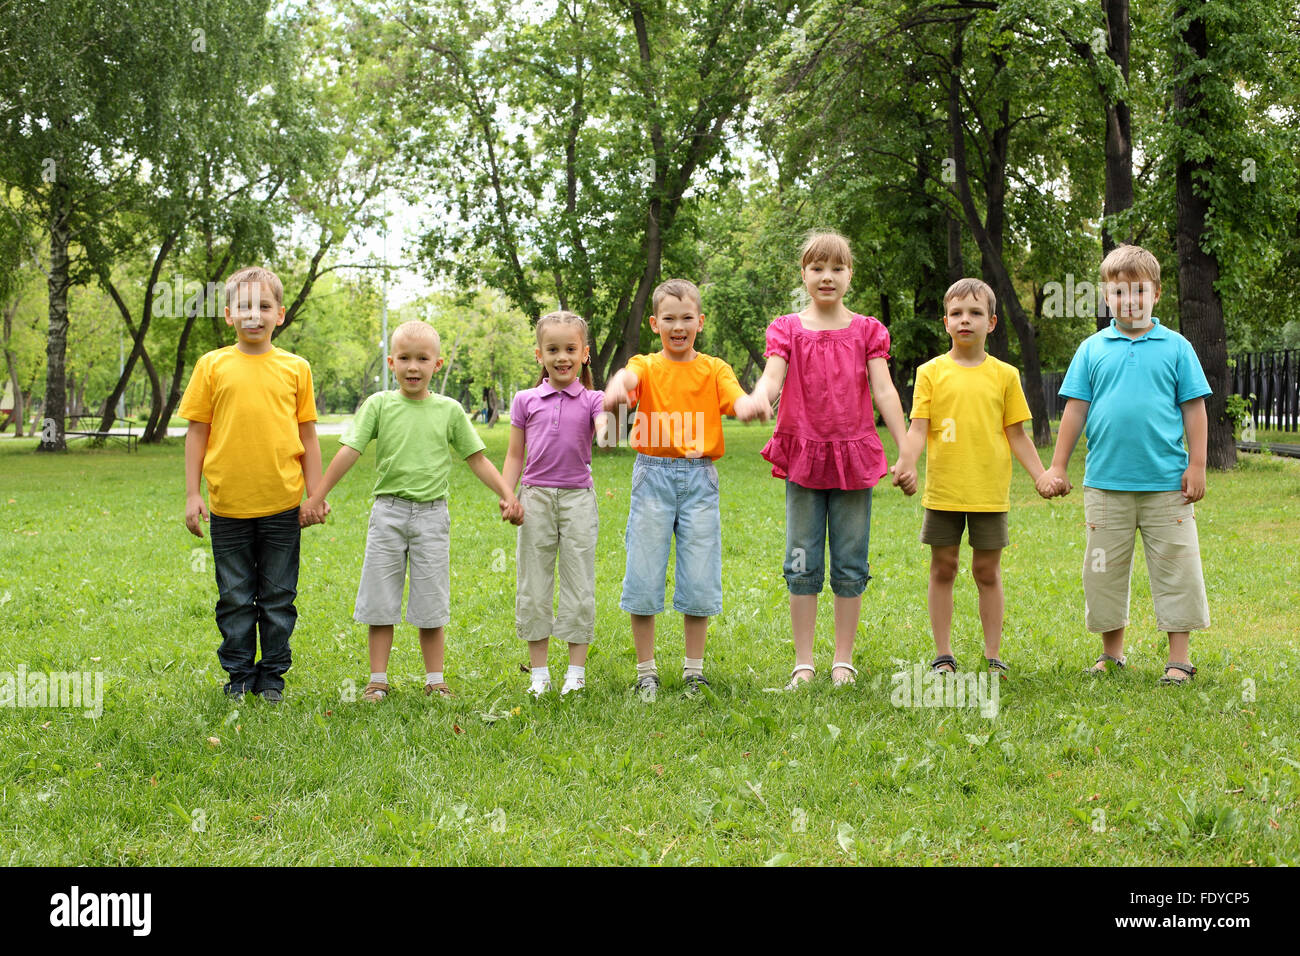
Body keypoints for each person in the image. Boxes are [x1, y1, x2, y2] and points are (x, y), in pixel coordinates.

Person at [300, 320, 522, 701]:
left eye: (422, 359)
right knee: (380, 600)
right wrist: (315, 497)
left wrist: (507, 493)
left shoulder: (449, 410)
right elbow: (348, 453)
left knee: (431, 601)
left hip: (432, 517)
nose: (413, 367)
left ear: (437, 365)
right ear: (391, 362)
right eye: (404, 358)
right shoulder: (379, 405)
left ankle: (435, 679)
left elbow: (477, 459)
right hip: (388, 514)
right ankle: (377, 679)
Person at [738, 230, 915, 689]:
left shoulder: (868, 330)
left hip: (853, 458)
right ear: (804, 274)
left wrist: (905, 450)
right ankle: (803, 662)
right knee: (801, 559)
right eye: (817, 268)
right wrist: (759, 397)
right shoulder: (787, 329)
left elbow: (884, 390)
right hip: (804, 456)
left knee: (851, 561)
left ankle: (842, 660)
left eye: (836, 268)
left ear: (850, 274)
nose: (827, 277)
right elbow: (772, 376)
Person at [1038, 243, 1211, 685]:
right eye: (1118, 292)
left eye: (1138, 290)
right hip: (1105, 485)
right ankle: (1111, 653)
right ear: (1106, 296)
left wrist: (1198, 464)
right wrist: (1058, 467)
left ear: (1157, 293)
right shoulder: (1093, 349)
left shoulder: (1177, 347)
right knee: (1103, 571)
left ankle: (1179, 659)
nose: (1128, 299)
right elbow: (1074, 411)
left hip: (1166, 484)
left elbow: (1194, 409)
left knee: (1177, 567)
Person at [181, 267, 325, 703]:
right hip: (228, 508)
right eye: (244, 306)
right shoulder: (212, 365)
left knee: (279, 599)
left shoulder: (295, 368)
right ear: (228, 314)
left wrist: (315, 495)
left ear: (279, 314)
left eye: (263, 306)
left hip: (283, 506)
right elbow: (197, 432)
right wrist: (192, 493)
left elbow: (308, 435)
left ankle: (272, 678)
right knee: (236, 598)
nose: (254, 315)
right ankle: (240, 675)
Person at [897, 278, 1050, 678]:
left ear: (992, 322)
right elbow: (917, 429)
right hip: (944, 491)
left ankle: (993, 654)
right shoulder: (930, 373)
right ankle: (943, 654)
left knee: (987, 571)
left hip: (988, 492)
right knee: (943, 567)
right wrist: (907, 463)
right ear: (945, 321)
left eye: (976, 313)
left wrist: (1040, 476)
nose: (966, 320)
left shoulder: (1005, 375)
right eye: (957, 313)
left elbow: (1017, 433)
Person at [604, 278, 749, 701]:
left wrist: (749, 405)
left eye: (687, 318)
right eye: (669, 318)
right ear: (655, 323)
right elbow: (625, 379)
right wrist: (617, 387)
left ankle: (694, 671)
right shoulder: (645, 365)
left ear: (700, 322)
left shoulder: (715, 368)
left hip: (700, 478)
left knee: (700, 574)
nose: (678, 326)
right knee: (644, 572)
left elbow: (735, 399)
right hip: (653, 476)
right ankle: (645, 670)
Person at [501, 311, 610, 697]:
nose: (561, 357)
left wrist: (611, 416)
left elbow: (606, 436)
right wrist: (507, 493)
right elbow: (515, 455)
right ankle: (540, 673)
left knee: (579, 583)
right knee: (534, 584)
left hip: (578, 499)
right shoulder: (524, 400)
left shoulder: (596, 399)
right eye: (552, 349)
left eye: (569, 349)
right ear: (539, 354)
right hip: (535, 498)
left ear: (584, 353)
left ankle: (575, 673)